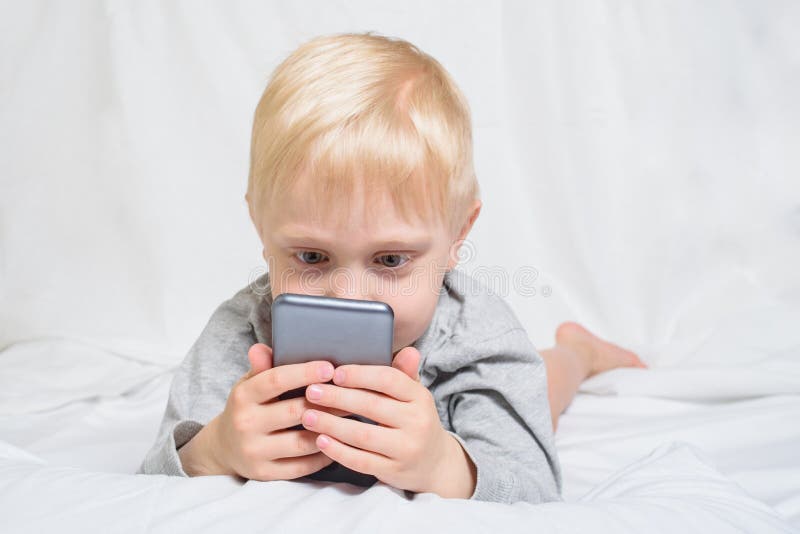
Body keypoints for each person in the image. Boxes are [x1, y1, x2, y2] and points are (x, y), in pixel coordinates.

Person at [138, 32, 646, 504]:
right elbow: (152, 477)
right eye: (312, 257)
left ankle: (577, 352)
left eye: (390, 259)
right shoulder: (241, 329)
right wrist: (213, 451)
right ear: (260, 226)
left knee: (547, 384)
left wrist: (445, 464)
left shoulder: (480, 337)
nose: (348, 295)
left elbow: (534, 486)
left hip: (495, 372)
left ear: (457, 237)